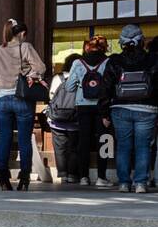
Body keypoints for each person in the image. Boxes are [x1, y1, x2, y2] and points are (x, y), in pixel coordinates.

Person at [0, 18, 46, 191]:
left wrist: (4, 79)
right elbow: (41, 67)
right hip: (22, 98)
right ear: (21, 33)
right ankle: (24, 177)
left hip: (2, 99)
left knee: (4, 138)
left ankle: (3, 177)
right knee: (24, 139)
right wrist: (30, 75)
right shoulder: (25, 47)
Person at [100, 24, 158, 193]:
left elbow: (106, 87)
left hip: (120, 108)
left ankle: (124, 183)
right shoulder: (152, 59)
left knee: (123, 146)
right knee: (143, 146)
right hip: (147, 108)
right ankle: (140, 183)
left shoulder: (114, 61)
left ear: (121, 42)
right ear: (141, 40)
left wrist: (104, 112)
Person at [67, 36, 114, 187]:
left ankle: (84, 177)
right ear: (104, 47)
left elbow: (69, 87)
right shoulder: (108, 62)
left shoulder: (78, 63)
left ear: (88, 47)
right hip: (103, 106)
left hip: (83, 105)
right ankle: (101, 177)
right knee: (104, 140)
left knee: (84, 141)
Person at [47, 54, 83, 183]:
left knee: (60, 148)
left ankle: (62, 174)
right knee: (74, 148)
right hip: (75, 118)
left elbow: (51, 96)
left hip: (57, 119)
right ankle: (72, 174)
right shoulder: (80, 76)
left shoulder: (58, 77)